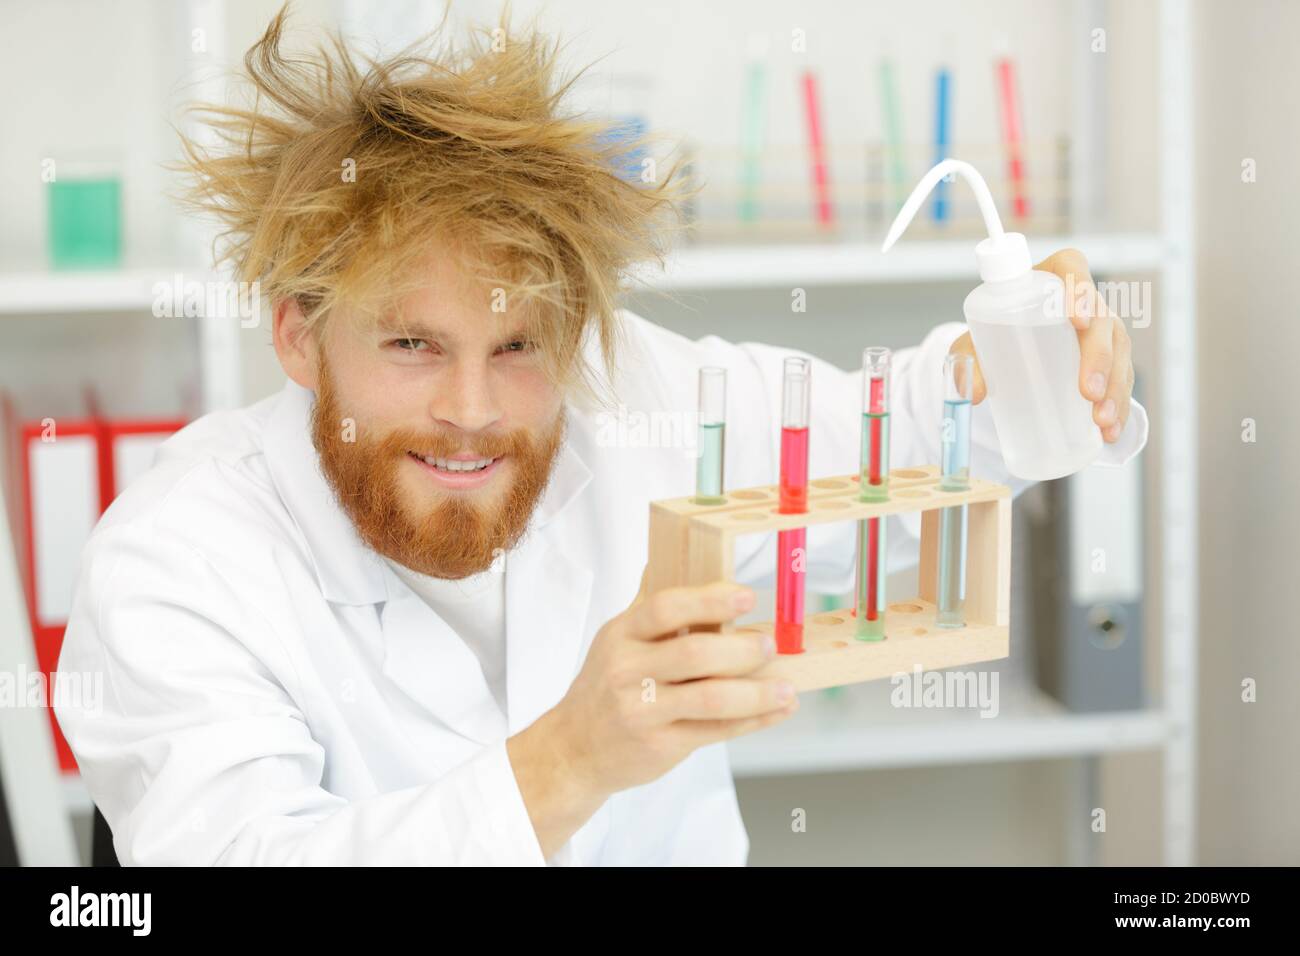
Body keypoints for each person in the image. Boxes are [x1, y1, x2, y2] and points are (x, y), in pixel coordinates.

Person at [55, 10, 1147, 865]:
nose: (474, 407)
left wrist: (1033, 374)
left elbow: (914, 430)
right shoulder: (176, 556)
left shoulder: (651, 408)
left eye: (519, 346)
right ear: (299, 336)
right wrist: (571, 757)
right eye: (411, 345)